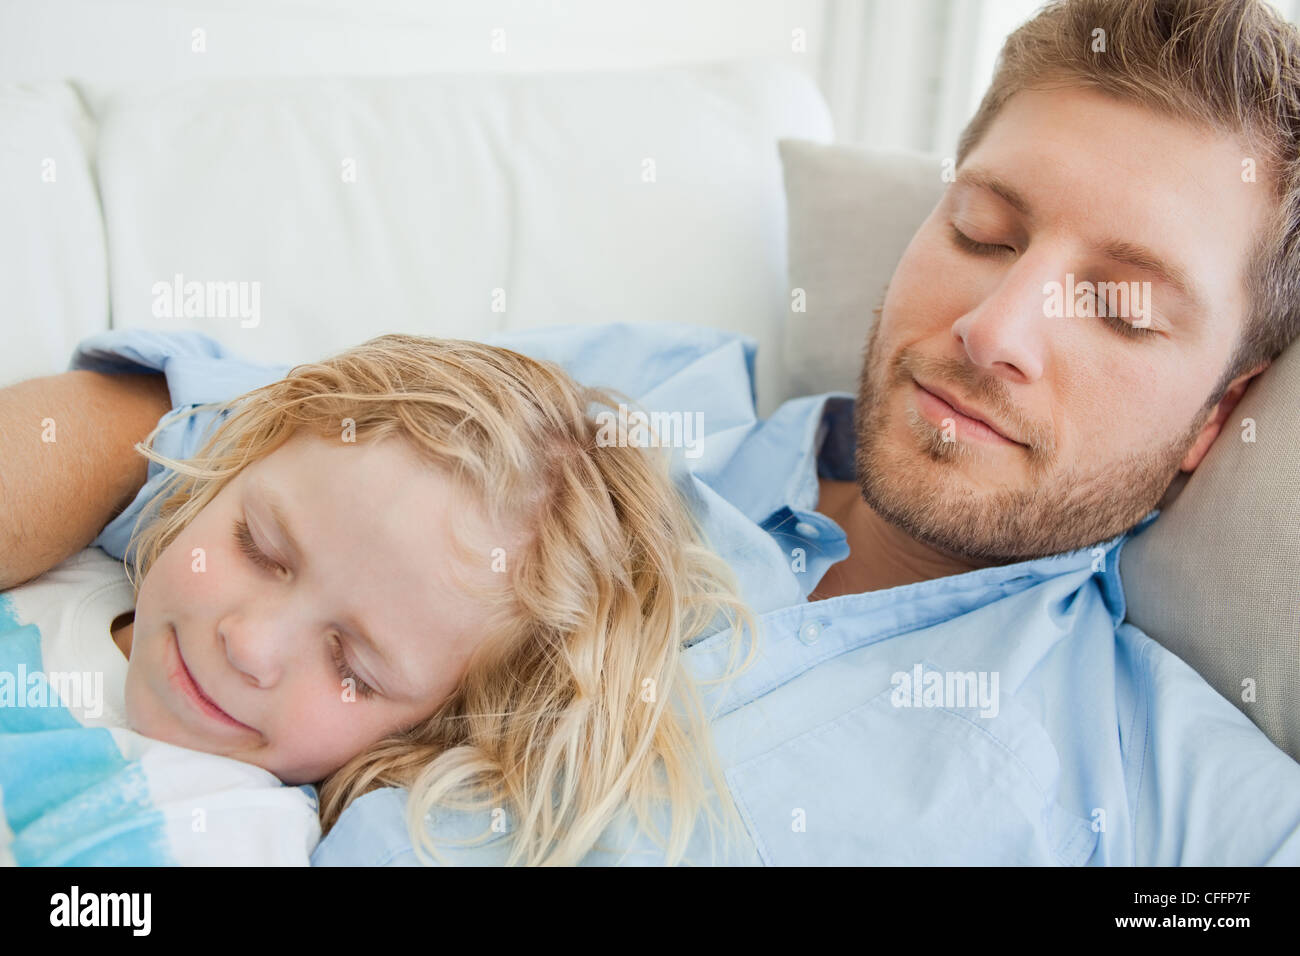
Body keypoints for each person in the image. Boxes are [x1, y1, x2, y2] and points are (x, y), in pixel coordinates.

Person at [8, 0, 1300, 865]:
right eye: (981, 231)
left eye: (1122, 308)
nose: (995, 327)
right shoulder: (624, 415)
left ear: (1218, 419)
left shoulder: (1171, 790)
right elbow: (145, 427)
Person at [0, 332, 755, 866]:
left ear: (426, 735)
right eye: (258, 548)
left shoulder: (226, 832)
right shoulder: (57, 550)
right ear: (235, 461)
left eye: (353, 669)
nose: (250, 644)